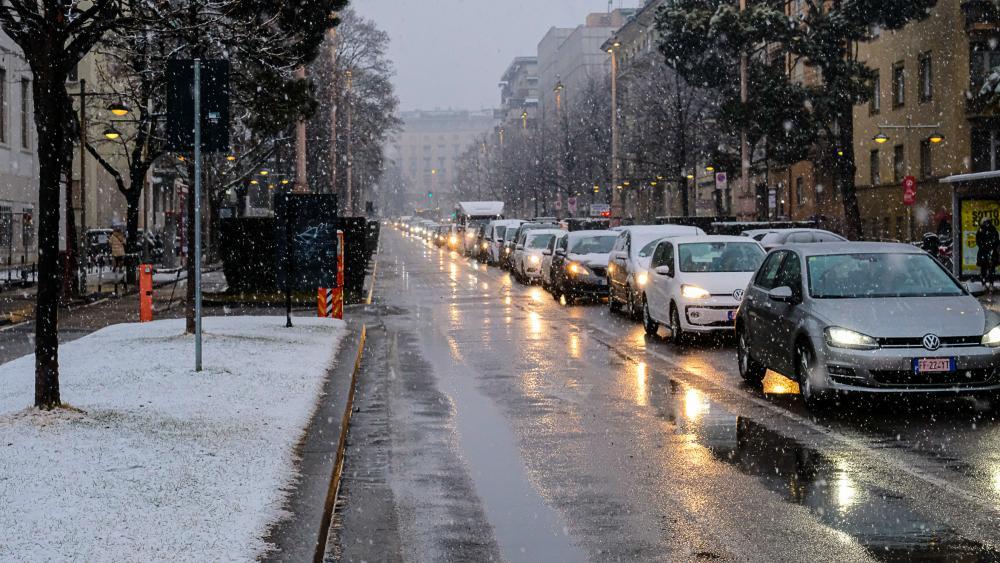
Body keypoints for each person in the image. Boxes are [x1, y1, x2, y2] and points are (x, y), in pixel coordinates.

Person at [976, 218, 999, 290]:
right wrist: (992, 247)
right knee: (991, 269)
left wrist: (984, 247)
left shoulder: (981, 230)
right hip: (991, 252)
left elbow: (978, 242)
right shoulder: (993, 230)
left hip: (983, 252)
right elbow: (996, 241)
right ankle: (991, 284)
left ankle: (984, 283)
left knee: (983, 269)